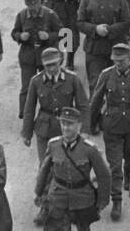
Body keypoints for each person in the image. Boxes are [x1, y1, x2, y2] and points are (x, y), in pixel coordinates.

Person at [34, 105, 111, 231]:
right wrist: (39, 192)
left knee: (83, 229)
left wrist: (102, 200)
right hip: (58, 197)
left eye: (70, 125)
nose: (66, 129)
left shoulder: (89, 150)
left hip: (82, 197)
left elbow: (104, 175)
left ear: (79, 126)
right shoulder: (53, 145)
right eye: (63, 124)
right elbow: (45, 169)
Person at [21, 47, 90, 220]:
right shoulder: (36, 81)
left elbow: (83, 105)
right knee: (45, 168)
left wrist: (85, 129)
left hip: (67, 130)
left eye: (54, 64)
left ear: (60, 61)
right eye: (47, 65)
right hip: (44, 129)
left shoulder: (72, 80)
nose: (51, 68)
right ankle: (45, 206)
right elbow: (29, 108)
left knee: (68, 166)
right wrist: (26, 133)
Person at [88, 44, 130, 221]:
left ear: (129, 59)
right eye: (115, 61)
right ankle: (116, 201)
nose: (118, 64)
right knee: (115, 166)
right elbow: (95, 101)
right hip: (112, 126)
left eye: (122, 61)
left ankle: (129, 181)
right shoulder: (106, 75)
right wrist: (90, 125)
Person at [11, 0, 68, 119]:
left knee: (50, 86)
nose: (34, 7)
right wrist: (20, 36)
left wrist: (49, 36)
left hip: (47, 56)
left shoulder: (50, 14)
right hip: (28, 56)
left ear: (40, 1)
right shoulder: (21, 16)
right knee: (27, 86)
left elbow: (64, 33)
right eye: (30, 5)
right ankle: (25, 114)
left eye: (36, 3)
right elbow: (14, 33)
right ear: (26, 5)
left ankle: (52, 112)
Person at [75, 0, 130, 89]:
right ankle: (95, 109)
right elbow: (79, 22)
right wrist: (95, 29)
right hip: (94, 48)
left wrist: (109, 30)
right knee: (95, 85)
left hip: (115, 46)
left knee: (117, 85)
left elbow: (126, 22)